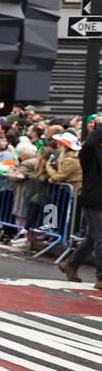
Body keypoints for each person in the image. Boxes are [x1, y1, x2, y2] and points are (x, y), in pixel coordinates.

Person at [60, 117, 101, 288]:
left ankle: (72, 264)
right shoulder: (90, 153)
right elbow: (90, 143)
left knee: (93, 237)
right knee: (100, 237)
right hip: (94, 199)